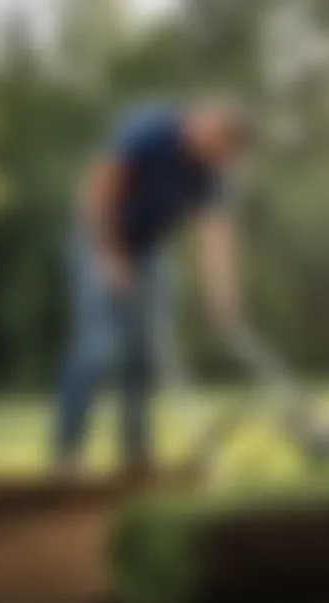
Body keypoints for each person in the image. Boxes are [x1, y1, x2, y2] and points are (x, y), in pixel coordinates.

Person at [53, 98, 252, 479]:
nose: (221, 159)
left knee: (144, 353)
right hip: (97, 237)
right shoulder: (149, 131)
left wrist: (221, 297)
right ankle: (67, 456)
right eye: (221, 147)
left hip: (146, 253)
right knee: (99, 346)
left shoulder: (209, 171)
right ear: (207, 126)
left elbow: (214, 237)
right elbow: (97, 191)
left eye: (228, 155)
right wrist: (109, 257)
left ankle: (134, 457)